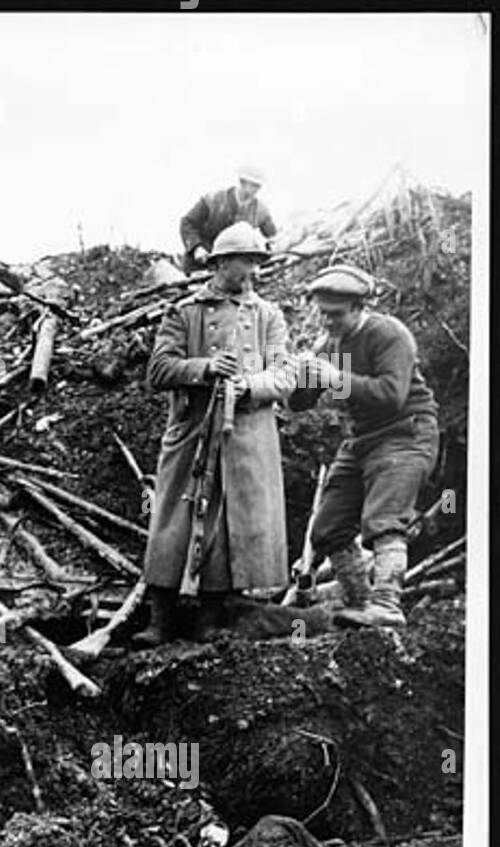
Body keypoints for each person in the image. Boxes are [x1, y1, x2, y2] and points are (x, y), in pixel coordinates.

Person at [134, 222, 297, 646]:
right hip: (193, 432)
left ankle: (212, 617)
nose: (252, 271)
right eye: (245, 261)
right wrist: (203, 368)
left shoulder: (269, 316)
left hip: (247, 436)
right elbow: (157, 371)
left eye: (258, 262)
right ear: (220, 263)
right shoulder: (185, 312)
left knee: (232, 527)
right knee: (174, 519)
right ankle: (161, 619)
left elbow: (285, 376)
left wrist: (248, 385)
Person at [288, 264, 440, 628]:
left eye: (336, 315)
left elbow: (390, 395)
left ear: (359, 308)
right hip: (363, 442)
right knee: (328, 528)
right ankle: (360, 602)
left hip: (406, 434)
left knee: (384, 519)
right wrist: (301, 373)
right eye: (323, 314)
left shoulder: (388, 334)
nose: (328, 322)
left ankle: (387, 605)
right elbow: (300, 403)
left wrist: (336, 377)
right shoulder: (331, 344)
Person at [179, 166, 278, 272]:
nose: (255, 190)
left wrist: (272, 246)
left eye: (258, 186)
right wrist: (196, 248)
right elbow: (187, 223)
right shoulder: (214, 200)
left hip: (233, 270)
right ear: (242, 182)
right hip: (201, 263)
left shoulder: (260, 210)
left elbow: (272, 236)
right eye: (252, 185)